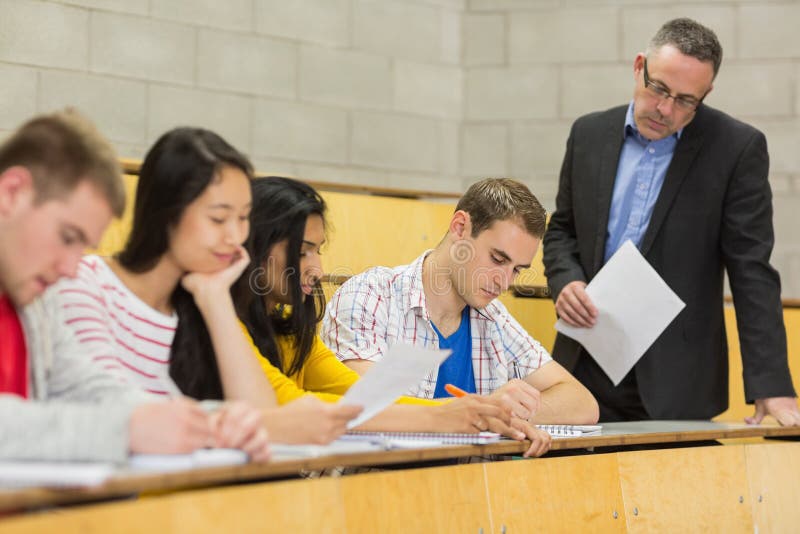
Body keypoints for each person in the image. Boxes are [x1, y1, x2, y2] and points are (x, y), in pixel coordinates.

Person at [542, 18, 800, 425]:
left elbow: (752, 270)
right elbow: (562, 230)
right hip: (583, 362)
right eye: (658, 89)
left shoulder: (737, 148)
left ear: (706, 94)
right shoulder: (588, 133)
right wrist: (566, 280)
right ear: (639, 65)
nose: (664, 109)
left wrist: (772, 386)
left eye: (685, 100)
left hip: (677, 378)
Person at [45, 127, 359, 447]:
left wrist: (216, 301)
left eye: (243, 219)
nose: (236, 238)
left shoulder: (202, 297)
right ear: (167, 215)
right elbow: (115, 413)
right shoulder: (85, 284)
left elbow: (261, 420)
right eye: (219, 219)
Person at [0, 111, 267, 463]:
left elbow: (93, 388)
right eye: (67, 237)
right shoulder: (56, 287)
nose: (70, 268)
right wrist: (127, 429)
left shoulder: (35, 302)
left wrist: (210, 421)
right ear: (11, 193)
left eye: (83, 247)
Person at [235, 177, 550, 456]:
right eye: (303, 252)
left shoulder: (290, 329)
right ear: (256, 244)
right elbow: (286, 407)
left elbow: (360, 400)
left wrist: (478, 414)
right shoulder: (228, 325)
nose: (317, 269)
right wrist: (452, 416)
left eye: (318, 250)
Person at [322, 178, 599, 430]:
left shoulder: (494, 318)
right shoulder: (369, 296)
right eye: (498, 259)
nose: (504, 282)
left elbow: (583, 404)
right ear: (460, 227)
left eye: (516, 269)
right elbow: (367, 406)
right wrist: (483, 411)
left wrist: (506, 414)